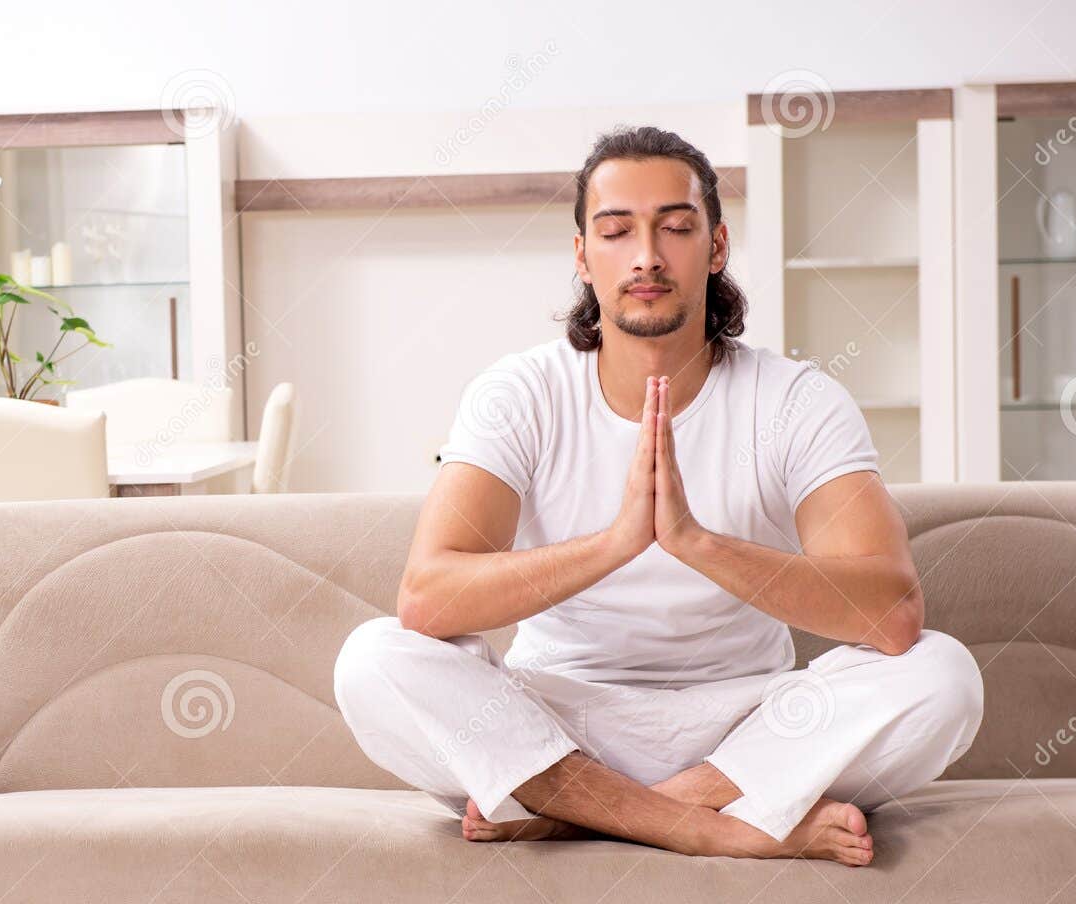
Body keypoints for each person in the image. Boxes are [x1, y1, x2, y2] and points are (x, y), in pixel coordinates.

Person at [332, 125, 983, 865]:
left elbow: (892, 614)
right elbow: (427, 599)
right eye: (616, 232)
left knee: (944, 674)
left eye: (676, 228)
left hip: (748, 724)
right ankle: (714, 826)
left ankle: (584, 813)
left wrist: (697, 544)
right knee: (373, 658)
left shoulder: (797, 399)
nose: (646, 256)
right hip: (561, 721)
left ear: (715, 246)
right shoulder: (519, 394)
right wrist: (615, 545)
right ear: (582, 253)